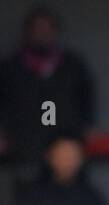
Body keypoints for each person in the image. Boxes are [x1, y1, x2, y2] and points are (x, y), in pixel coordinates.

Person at [0, 6, 96, 173]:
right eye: (38, 28)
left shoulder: (73, 65)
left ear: (55, 32)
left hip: (65, 146)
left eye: (47, 28)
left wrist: (88, 126)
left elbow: (87, 98)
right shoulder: (10, 67)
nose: (43, 33)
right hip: (23, 148)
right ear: (28, 31)